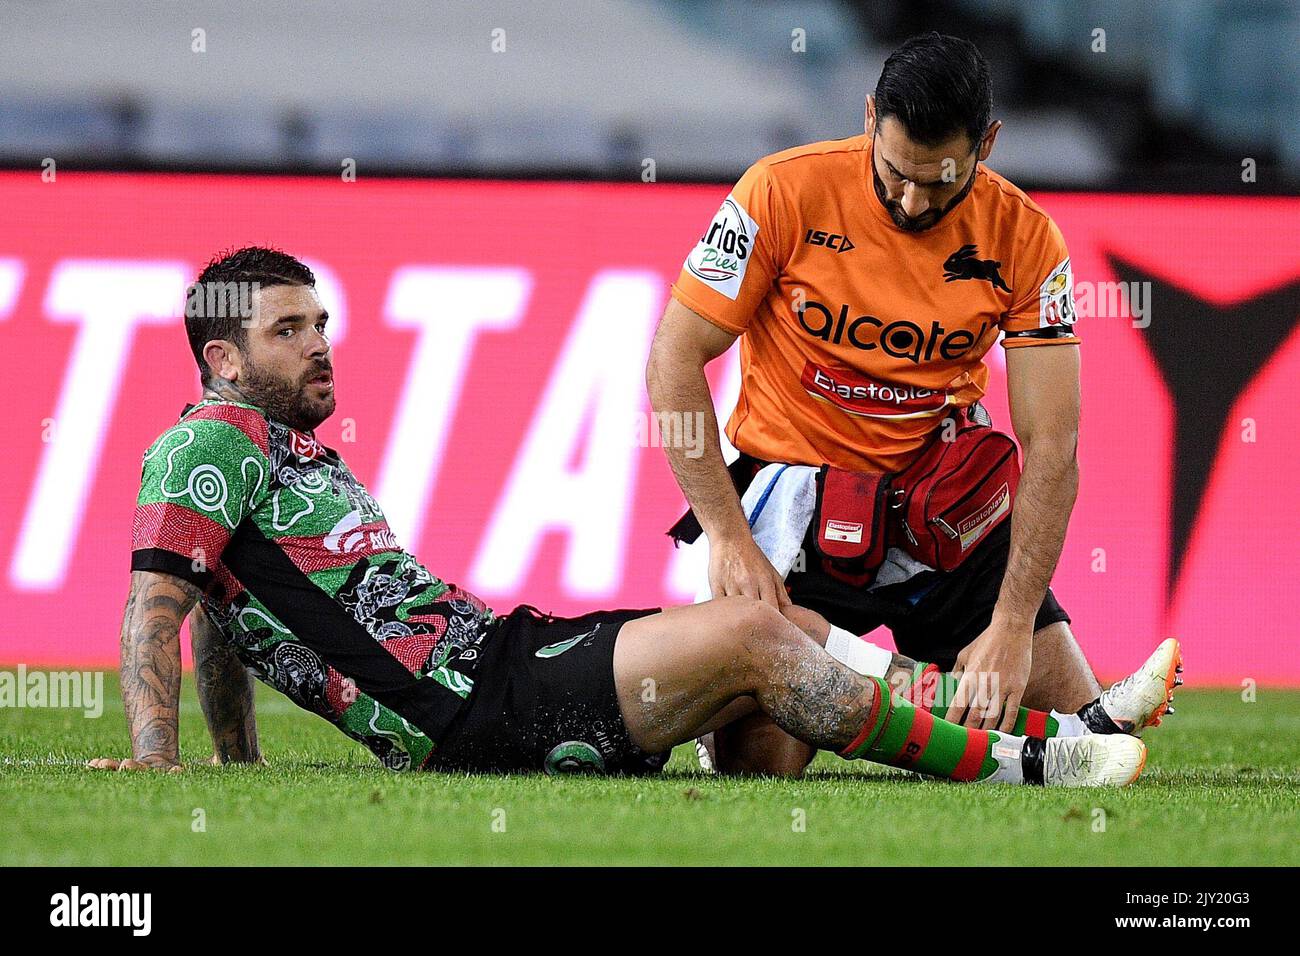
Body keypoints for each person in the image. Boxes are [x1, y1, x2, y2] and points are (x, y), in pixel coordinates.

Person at [89, 247, 1163, 788]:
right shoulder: (207, 441)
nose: (320, 342)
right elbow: (156, 606)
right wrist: (155, 758)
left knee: (771, 640)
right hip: (473, 714)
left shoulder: (275, 456)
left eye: (320, 321)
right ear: (223, 359)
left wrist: (235, 763)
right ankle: (1042, 762)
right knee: (753, 629)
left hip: (500, 665)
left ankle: (1055, 730)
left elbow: (219, 613)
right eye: (288, 330)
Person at [647, 33, 1134, 774]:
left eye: (941, 184)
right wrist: (727, 536)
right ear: (870, 119)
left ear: (988, 144)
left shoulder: (1029, 240)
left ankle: (930, 684)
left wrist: (1007, 624)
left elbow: (1053, 445)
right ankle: (878, 690)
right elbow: (674, 359)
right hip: (797, 510)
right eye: (895, 175)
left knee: (1092, 737)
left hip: (942, 514)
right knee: (758, 770)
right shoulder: (780, 191)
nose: (911, 203)